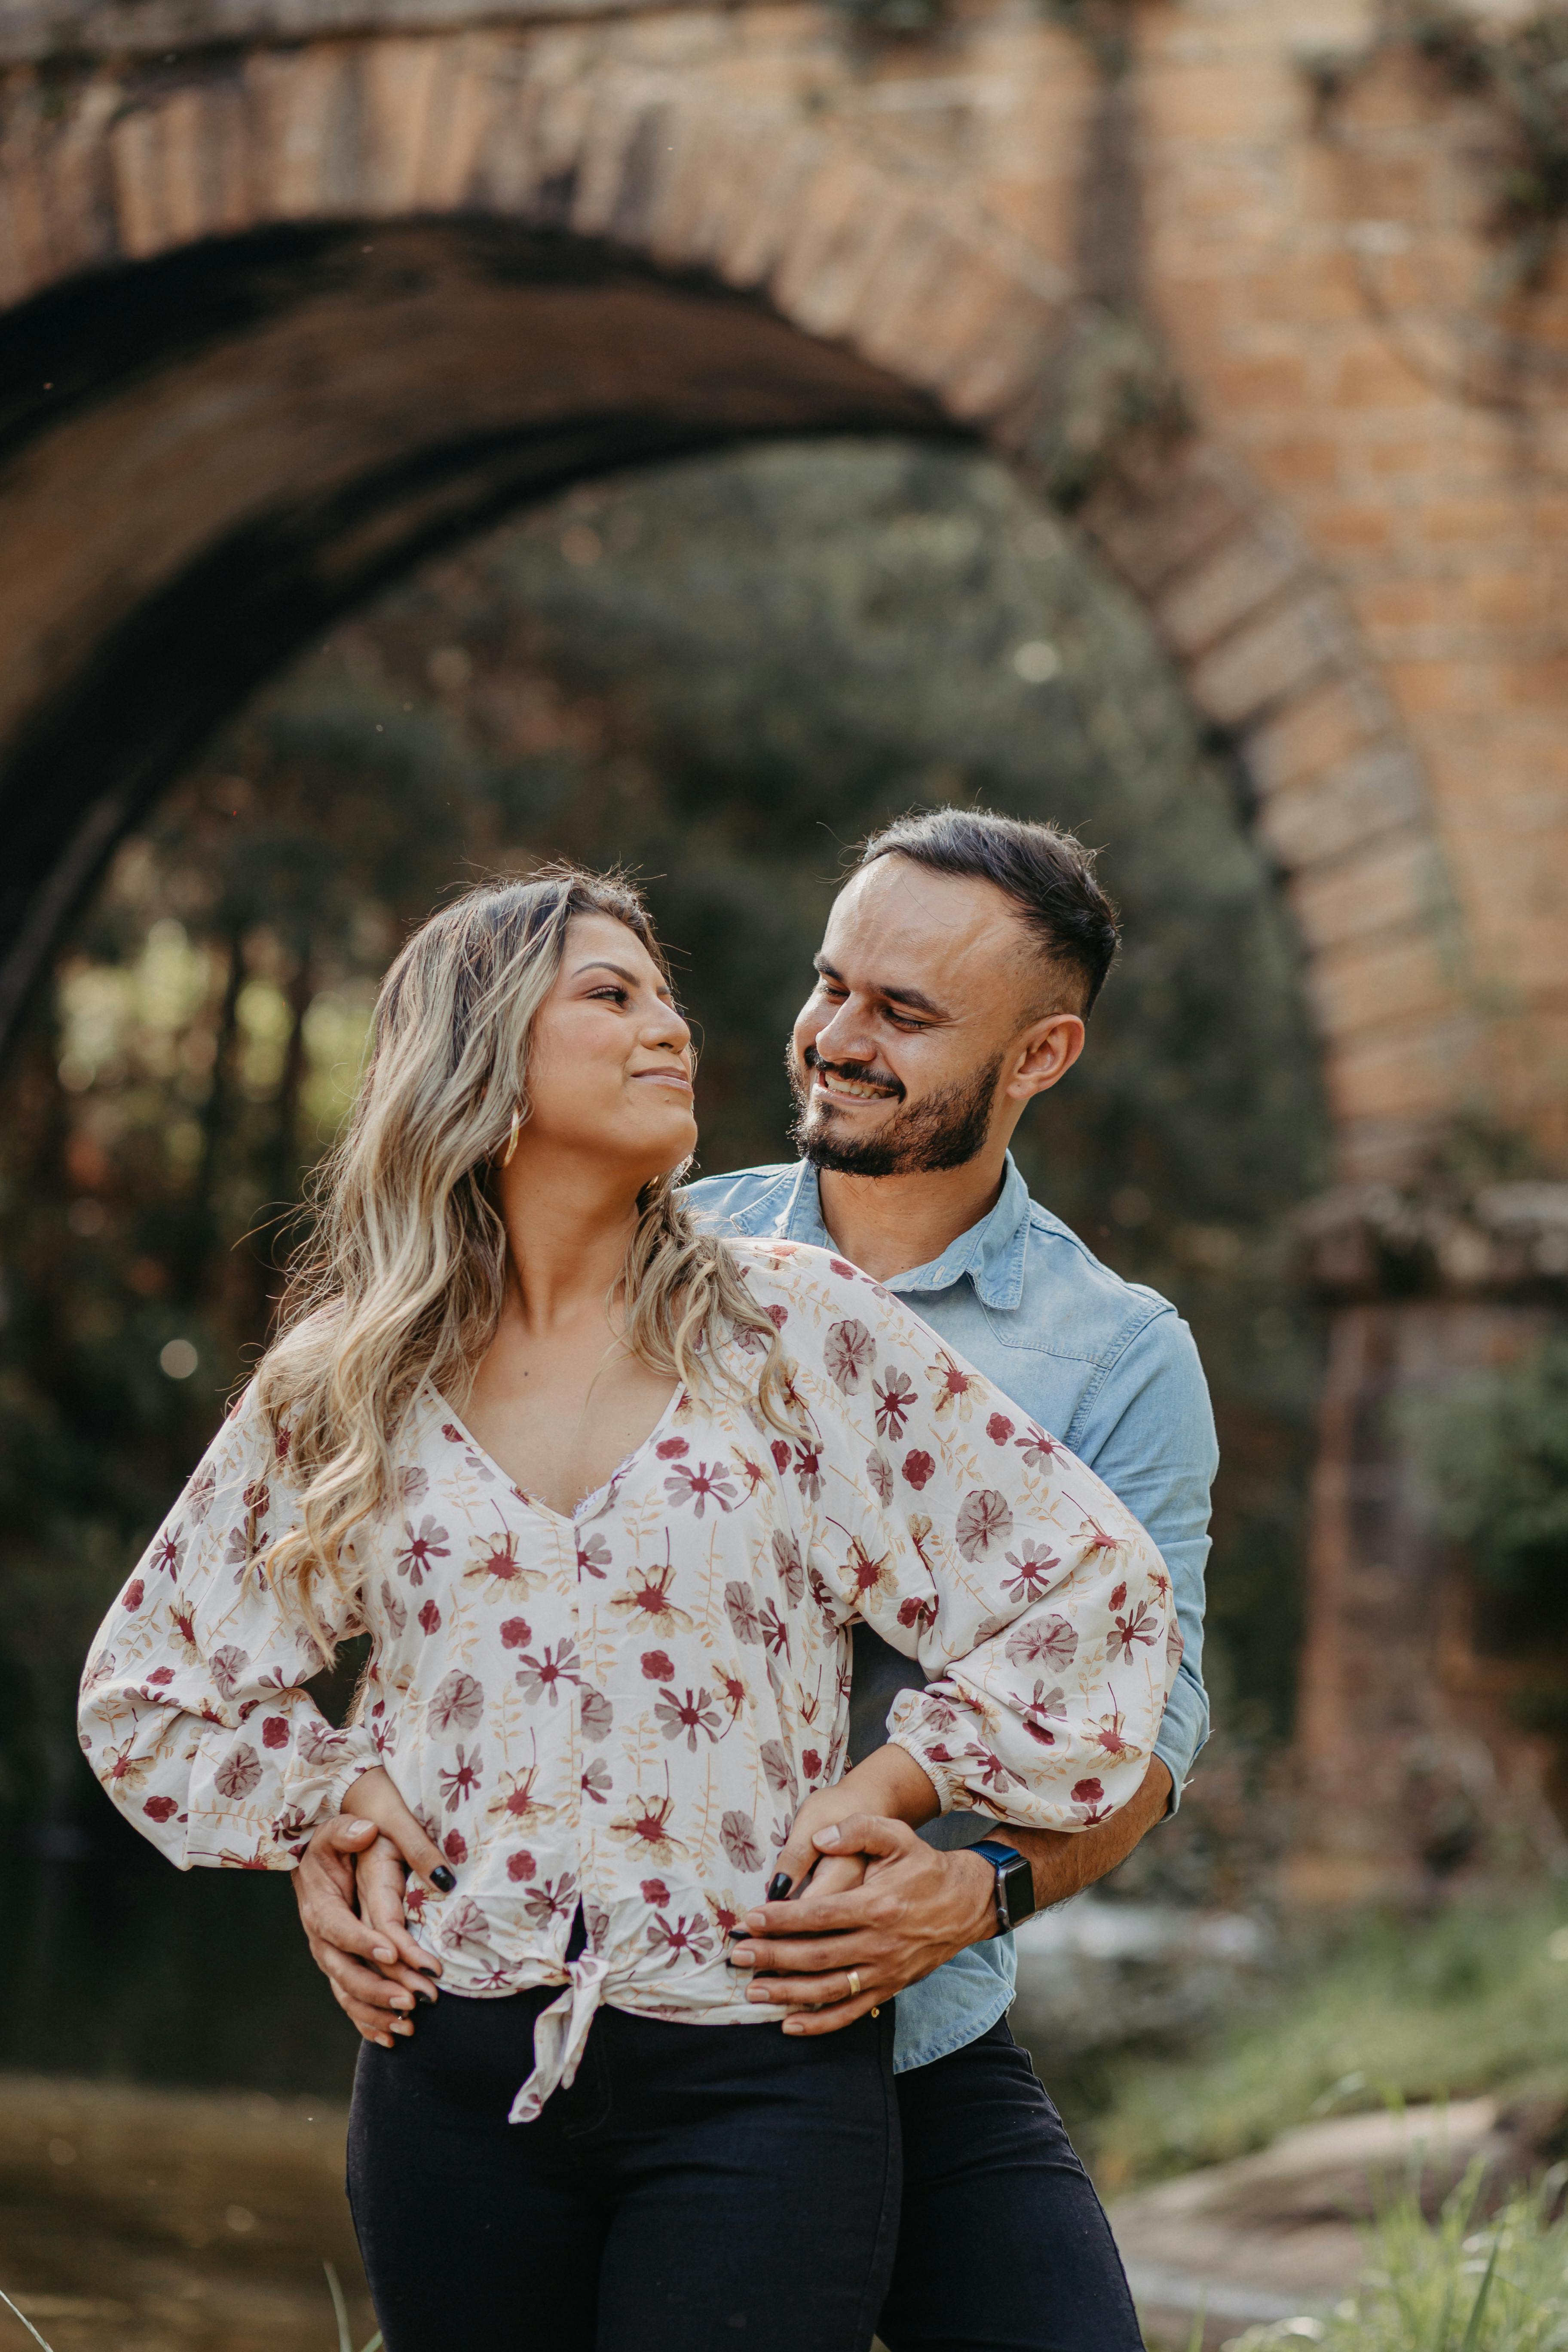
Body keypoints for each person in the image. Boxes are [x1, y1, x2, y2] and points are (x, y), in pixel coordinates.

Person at [78, 867, 1177, 2352]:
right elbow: (153, 1682)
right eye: (613, 995)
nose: (676, 1029)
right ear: (481, 1053)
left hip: (763, 2070)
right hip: (445, 2072)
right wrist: (326, 1806)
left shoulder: (797, 1326)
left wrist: (897, 1784)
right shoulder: (353, 1376)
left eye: (667, 997)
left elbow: (1097, 1598)